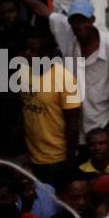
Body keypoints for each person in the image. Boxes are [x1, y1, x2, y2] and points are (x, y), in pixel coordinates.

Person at [49, 0, 109, 139]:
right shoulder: (72, 48)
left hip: (103, 129)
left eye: (83, 20)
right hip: (78, 130)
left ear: (92, 20)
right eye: (74, 21)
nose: (78, 25)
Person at [19, 26, 82, 184]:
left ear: (48, 54)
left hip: (56, 160)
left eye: (33, 51)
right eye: (26, 49)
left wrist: (69, 162)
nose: (27, 54)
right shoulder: (23, 72)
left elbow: (73, 123)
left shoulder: (65, 79)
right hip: (31, 157)